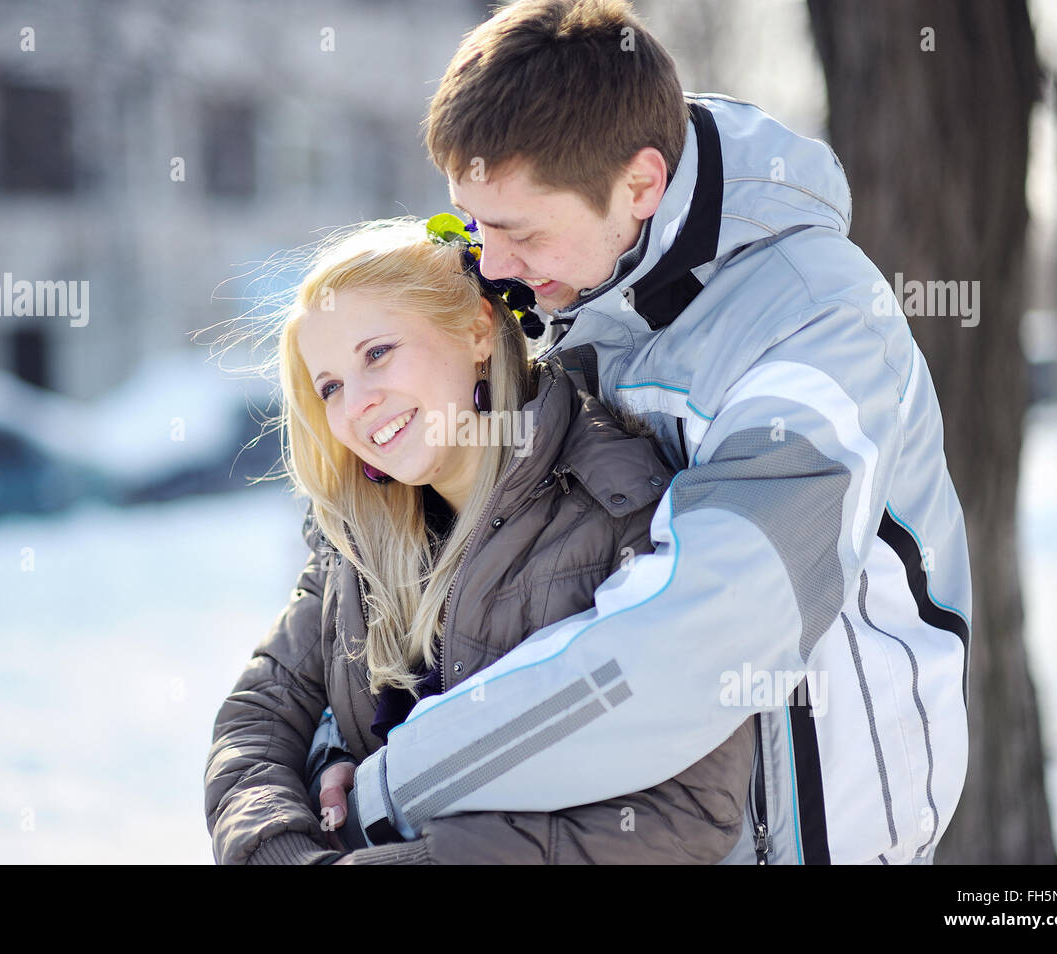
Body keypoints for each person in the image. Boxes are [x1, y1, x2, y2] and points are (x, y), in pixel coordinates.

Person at [331, 0, 972, 865]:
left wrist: (399, 778)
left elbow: (691, 646)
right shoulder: (576, 287)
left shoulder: (814, 332)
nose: (488, 264)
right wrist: (342, 730)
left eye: (517, 230)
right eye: (473, 222)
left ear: (641, 185)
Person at [203, 216, 755, 864]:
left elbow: (690, 810)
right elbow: (257, 718)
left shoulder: (615, 500)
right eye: (330, 387)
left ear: (475, 331)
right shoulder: (353, 543)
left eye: (377, 353)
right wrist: (285, 847)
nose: (355, 406)